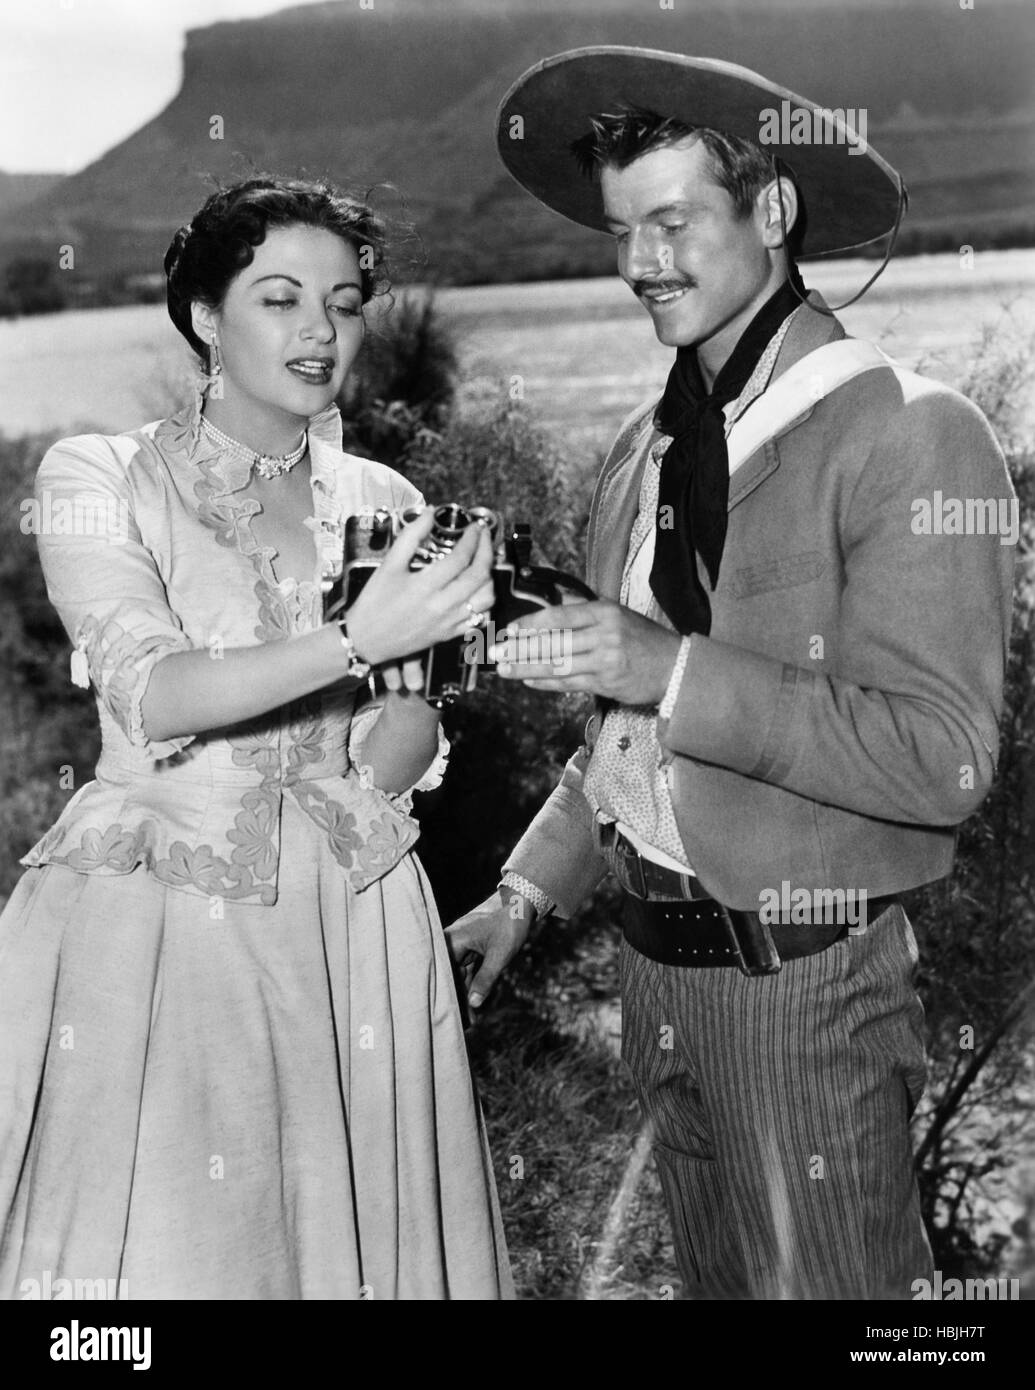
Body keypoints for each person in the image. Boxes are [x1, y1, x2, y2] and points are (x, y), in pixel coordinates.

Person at [447, 49, 1017, 1299]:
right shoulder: (646, 448)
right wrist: (525, 896)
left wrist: (673, 668)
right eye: (618, 231)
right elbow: (623, 738)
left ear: (771, 213)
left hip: (802, 988)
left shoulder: (914, 432)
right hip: (653, 979)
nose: (640, 262)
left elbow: (944, 758)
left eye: (672, 222)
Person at [0, 176, 512, 1301]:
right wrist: (354, 643)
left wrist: (392, 725)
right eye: (280, 298)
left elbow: (407, 734)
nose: (320, 331)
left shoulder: (384, 497)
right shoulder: (97, 476)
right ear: (201, 315)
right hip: (168, 930)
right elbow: (157, 693)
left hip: (348, 917)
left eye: (343, 301)